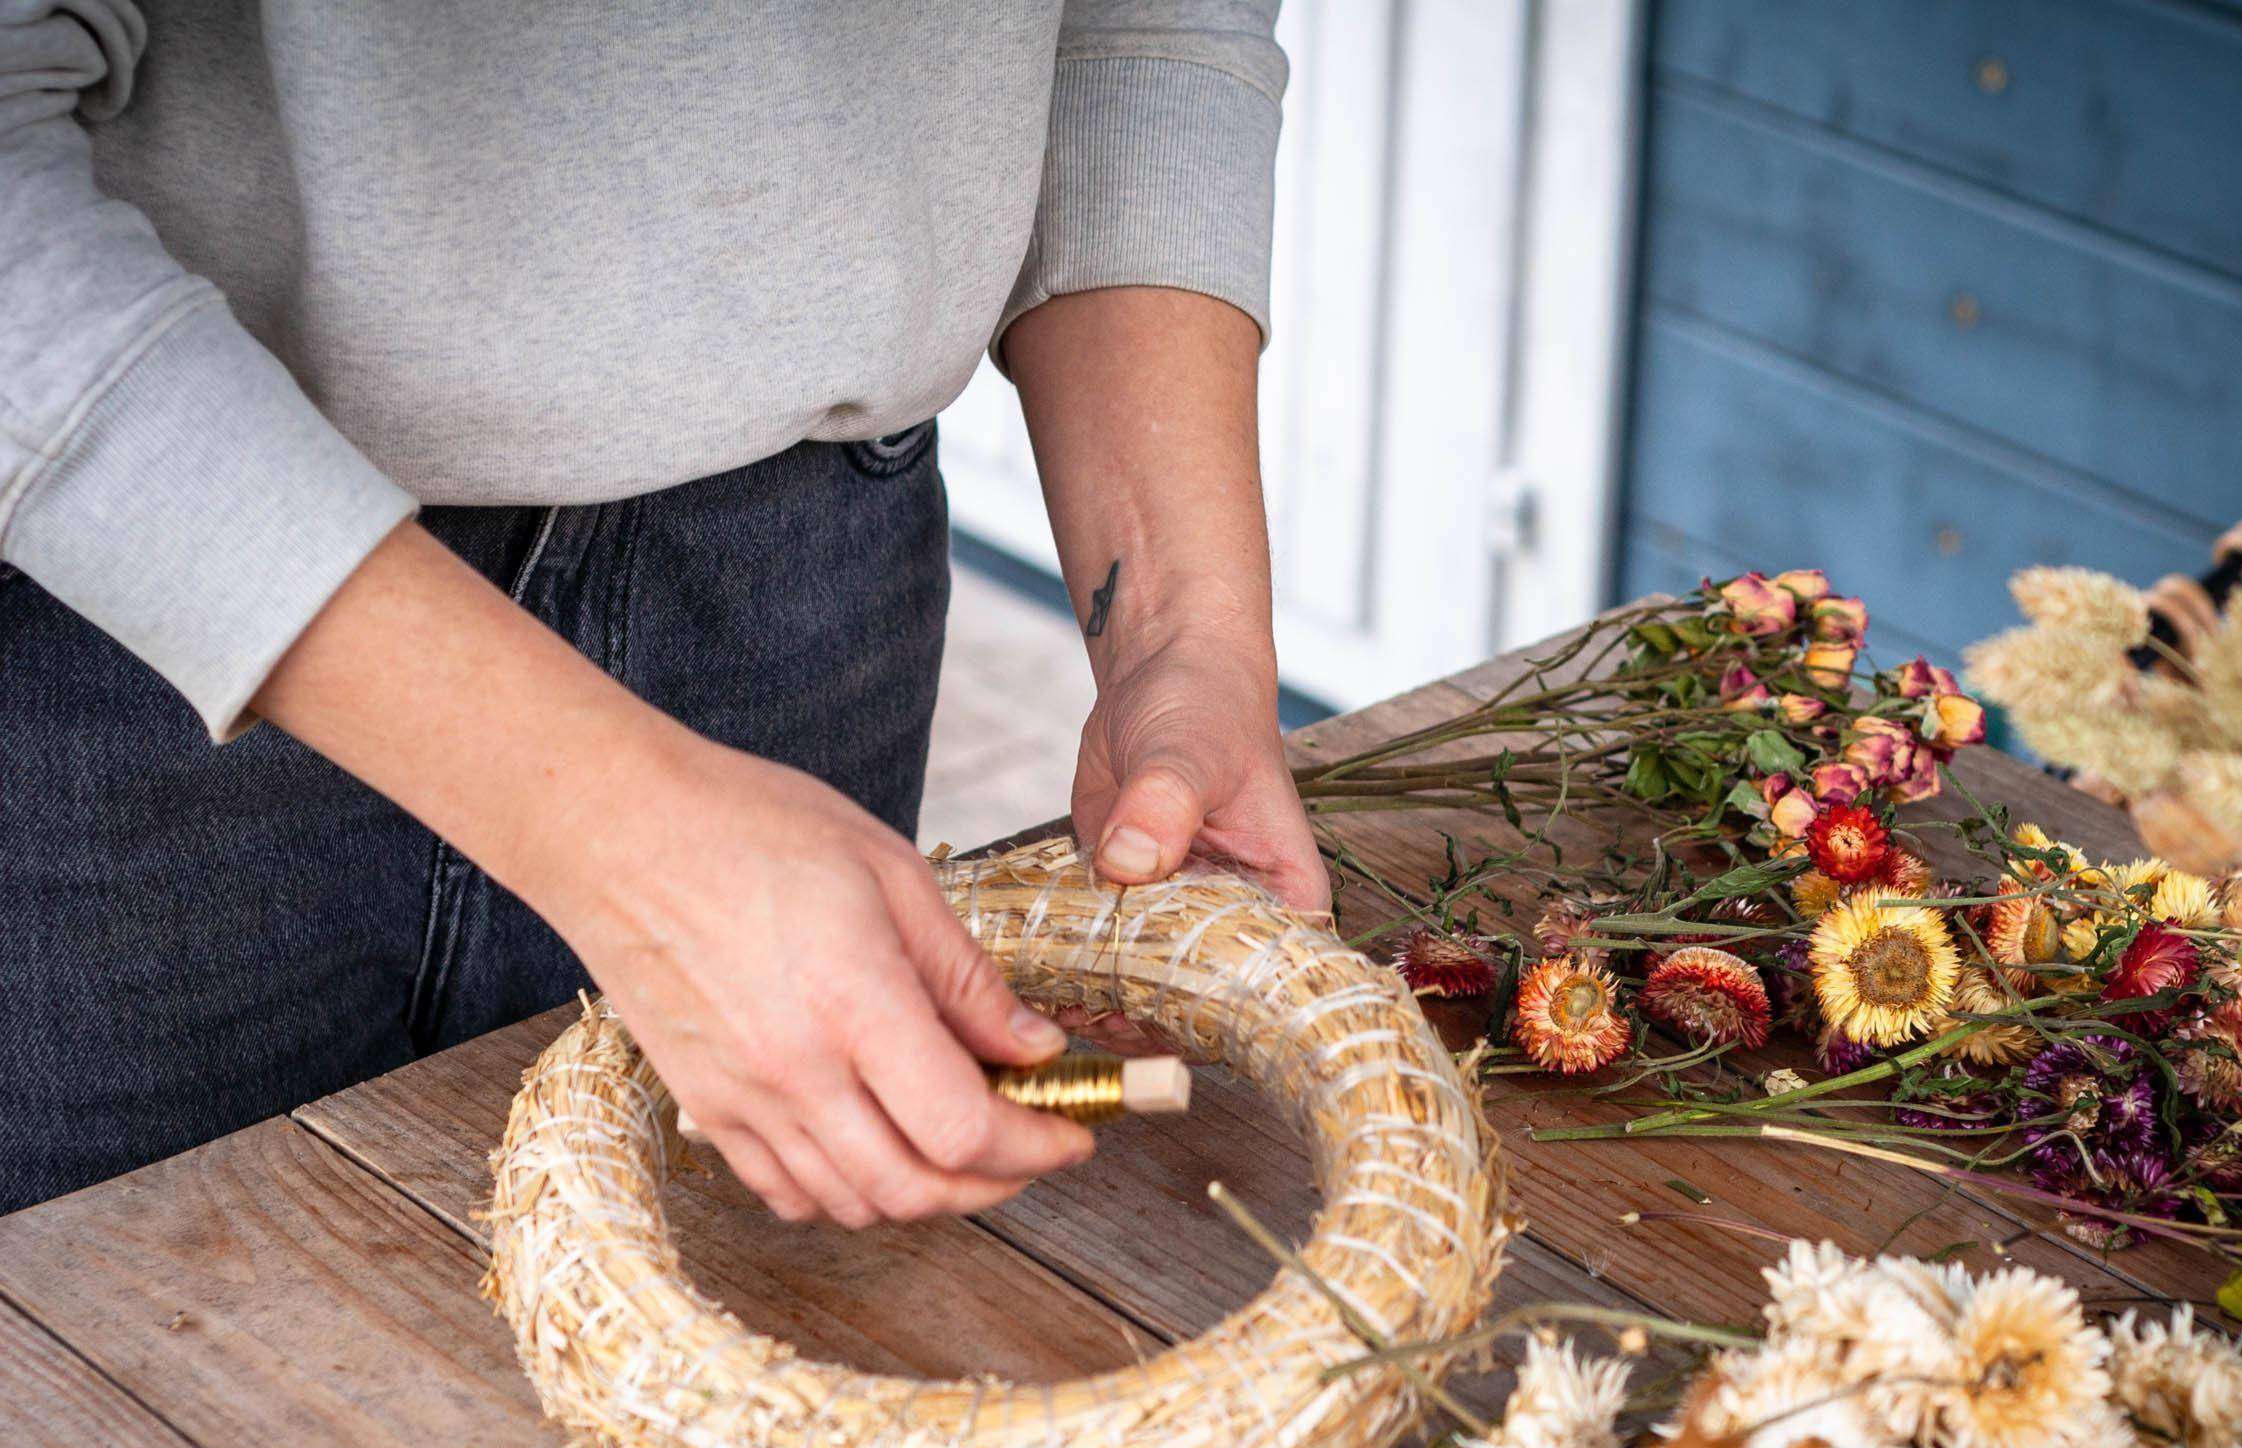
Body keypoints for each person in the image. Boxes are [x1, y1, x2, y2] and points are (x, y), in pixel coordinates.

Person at [0, 1, 1328, 1220]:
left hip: (802, 582)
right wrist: (611, 825)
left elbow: (1135, 20)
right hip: (161, 606)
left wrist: (1182, 640)